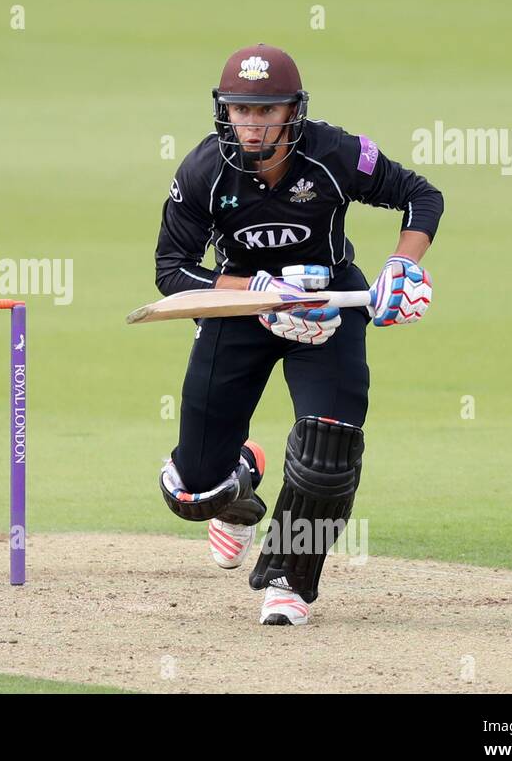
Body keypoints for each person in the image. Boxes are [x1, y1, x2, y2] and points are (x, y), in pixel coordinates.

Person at [154, 44, 442, 625]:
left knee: (327, 452)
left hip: (328, 308)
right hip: (242, 309)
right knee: (191, 492)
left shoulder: (334, 153)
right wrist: (257, 291)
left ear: (293, 110)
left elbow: (421, 196)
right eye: (241, 109)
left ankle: (288, 581)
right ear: (224, 110)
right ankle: (237, 484)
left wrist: (402, 266)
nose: (252, 124)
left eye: (267, 110)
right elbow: (171, 271)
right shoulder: (203, 170)